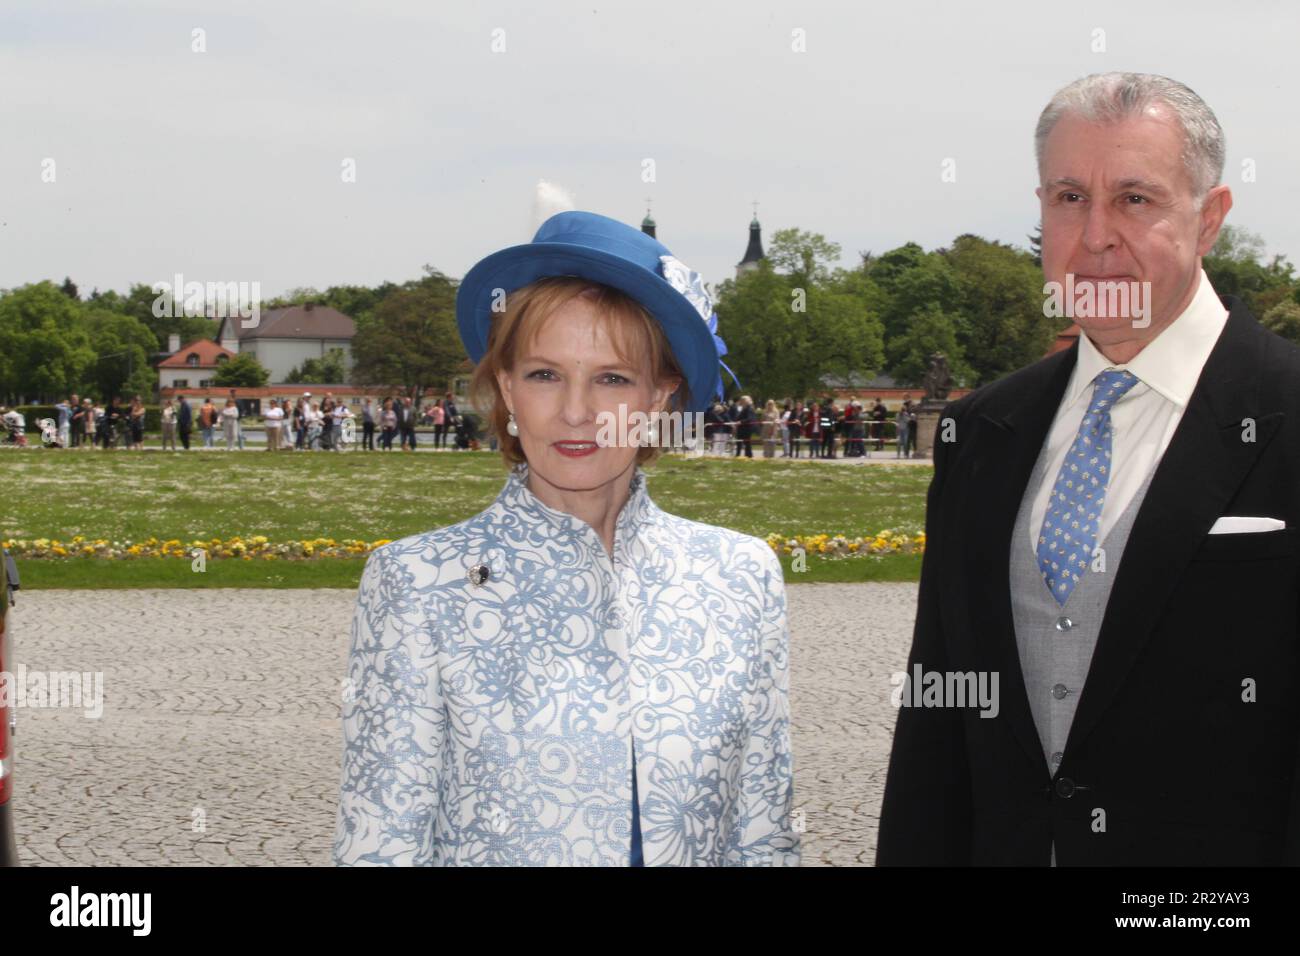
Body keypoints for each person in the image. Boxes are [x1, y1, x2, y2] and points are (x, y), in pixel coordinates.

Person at [878, 73, 1300, 867]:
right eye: (1069, 197)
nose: (1096, 234)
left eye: (1135, 199)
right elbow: (939, 719)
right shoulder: (979, 431)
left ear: (1209, 220)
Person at [334, 210, 798, 867]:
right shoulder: (416, 584)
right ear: (505, 388)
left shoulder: (740, 576)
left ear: (661, 396)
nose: (577, 411)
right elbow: (380, 844)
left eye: (612, 378)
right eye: (545, 374)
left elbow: (763, 834)